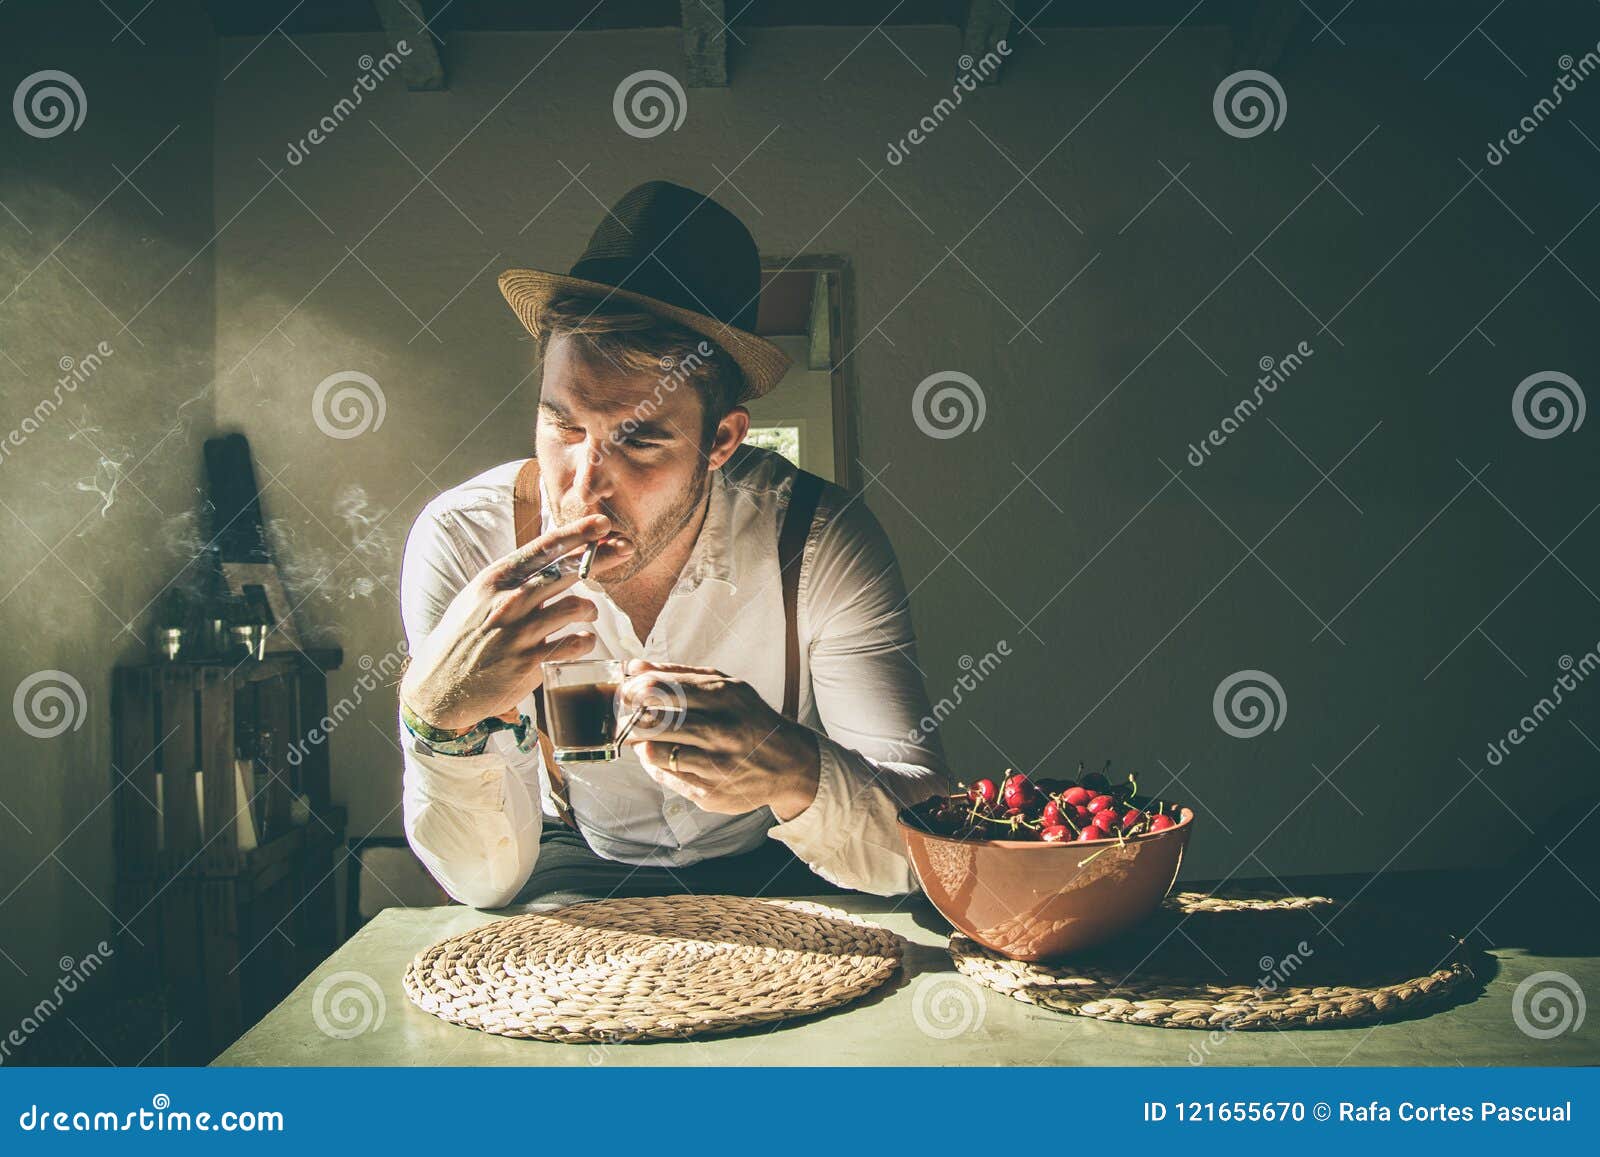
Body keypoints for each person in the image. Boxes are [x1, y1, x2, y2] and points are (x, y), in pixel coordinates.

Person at [396, 180, 947, 910]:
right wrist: (436, 715)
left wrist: (794, 770)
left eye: (639, 440)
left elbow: (928, 846)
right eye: (564, 426)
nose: (583, 488)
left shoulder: (819, 539)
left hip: (784, 862)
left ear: (721, 440)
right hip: (568, 860)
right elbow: (483, 880)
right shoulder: (465, 541)